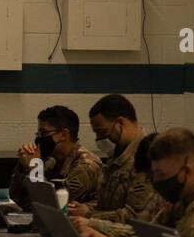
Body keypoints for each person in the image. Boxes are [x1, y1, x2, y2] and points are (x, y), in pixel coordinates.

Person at [68, 94, 164, 224]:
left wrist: (90, 215)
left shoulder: (146, 158)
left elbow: (137, 216)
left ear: (120, 123)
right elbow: (107, 203)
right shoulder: (117, 156)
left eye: (102, 132)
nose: (99, 139)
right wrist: (86, 208)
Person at [8, 105, 103, 209]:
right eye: (38, 133)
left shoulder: (86, 165)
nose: (39, 138)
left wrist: (35, 167)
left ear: (63, 134)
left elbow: (52, 205)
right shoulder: (51, 160)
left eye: (44, 133)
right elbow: (17, 197)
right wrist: (23, 165)